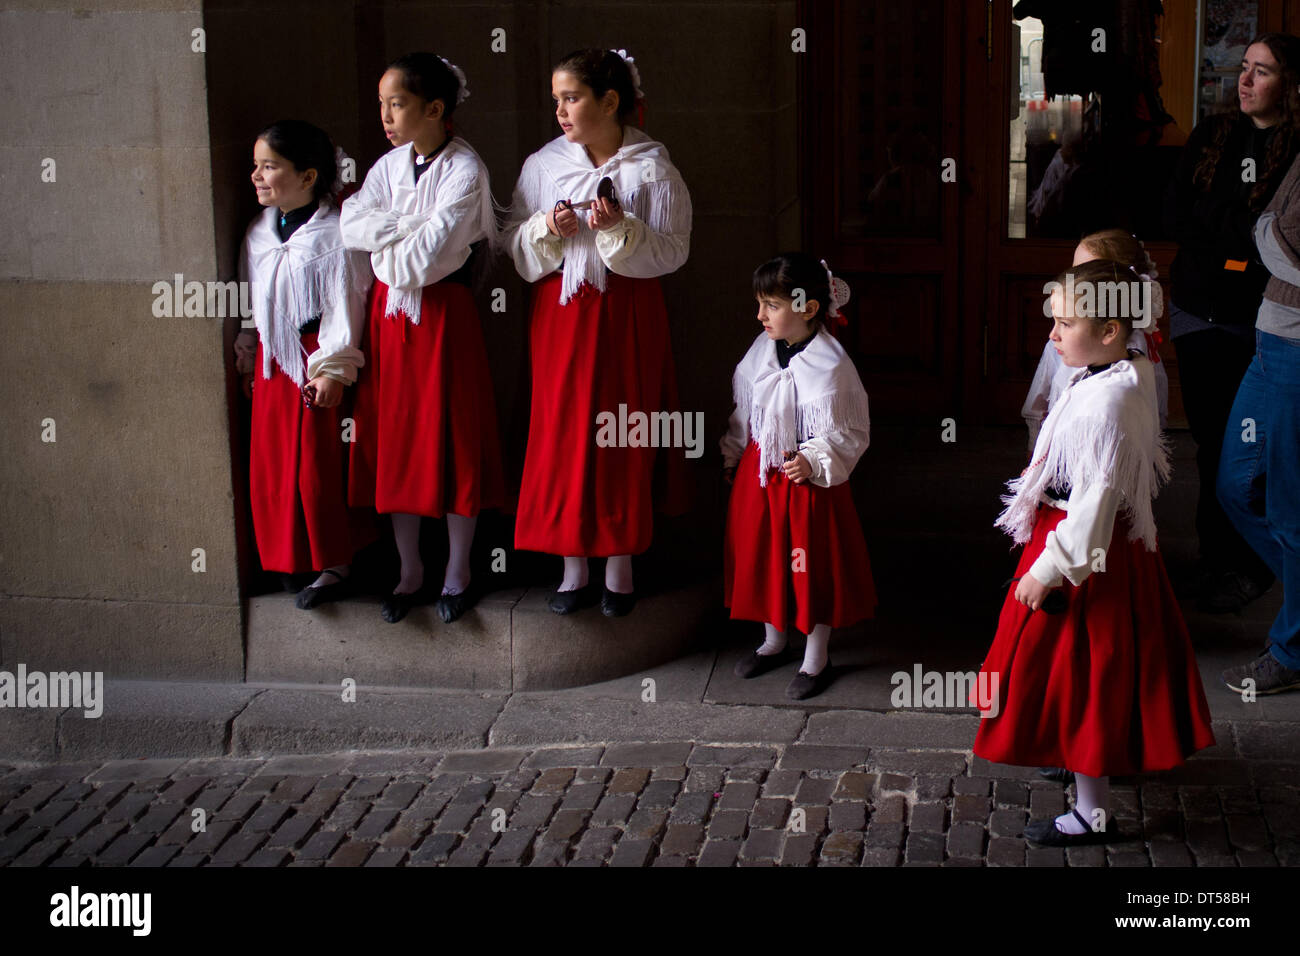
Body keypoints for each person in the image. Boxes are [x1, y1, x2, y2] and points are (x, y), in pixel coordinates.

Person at [974, 259, 1215, 846]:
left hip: (1086, 563)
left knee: (1088, 680)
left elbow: (1093, 505)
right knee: (1078, 676)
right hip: (1095, 551)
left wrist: (1050, 570)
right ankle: (1077, 760)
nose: (1052, 336)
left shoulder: (1107, 403)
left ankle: (1091, 812)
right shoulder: (1117, 373)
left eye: (1063, 324)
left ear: (1109, 330)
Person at [504, 48, 691, 617]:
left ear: (610, 102)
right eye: (556, 99)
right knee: (561, 432)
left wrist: (621, 229)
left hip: (626, 311)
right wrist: (547, 229)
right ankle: (571, 566)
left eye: (572, 98)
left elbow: (674, 250)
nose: (560, 110)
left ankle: (620, 564)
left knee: (620, 430)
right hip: (562, 311)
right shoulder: (543, 165)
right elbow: (511, 242)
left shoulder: (651, 167)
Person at [340, 52, 503, 624]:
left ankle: (459, 569)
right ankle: (409, 569)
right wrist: (407, 228)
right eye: (382, 103)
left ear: (434, 108)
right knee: (396, 438)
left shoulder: (465, 170)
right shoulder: (387, 167)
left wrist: (395, 238)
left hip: (442, 318)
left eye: (398, 104)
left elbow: (423, 263)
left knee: (454, 435)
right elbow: (351, 223)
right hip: (389, 322)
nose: (386, 115)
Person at [1166, 34, 1300, 612]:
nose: (1245, 81)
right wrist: (1237, 228)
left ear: (1289, 87)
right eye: (1243, 67)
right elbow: (1175, 211)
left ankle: (1254, 567)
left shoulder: (1296, 150)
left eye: (1261, 71)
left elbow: (1275, 237)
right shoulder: (1214, 134)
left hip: (1255, 321)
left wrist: (1223, 224)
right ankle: (1214, 561)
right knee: (1209, 443)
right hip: (1198, 312)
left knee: (1250, 448)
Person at [720, 254, 876, 700]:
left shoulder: (832, 366)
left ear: (807, 308)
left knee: (811, 563)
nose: (760, 315)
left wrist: (814, 458)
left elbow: (850, 430)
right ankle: (773, 640)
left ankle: (816, 655)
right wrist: (733, 453)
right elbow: (745, 410)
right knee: (764, 554)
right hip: (762, 472)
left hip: (808, 483)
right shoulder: (760, 353)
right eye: (759, 303)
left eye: (771, 304)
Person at [234, 120, 374, 610]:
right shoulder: (259, 233)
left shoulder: (335, 234)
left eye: (269, 166)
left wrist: (333, 369)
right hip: (274, 366)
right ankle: (287, 557)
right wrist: (250, 353)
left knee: (317, 465)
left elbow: (348, 301)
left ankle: (334, 562)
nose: (256, 176)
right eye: (256, 165)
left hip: (314, 362)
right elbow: (251, 300)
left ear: (308, 175)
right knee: (273, 465)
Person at [1218, 148, 1300, 696]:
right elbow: (1266, 227)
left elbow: (1276, 238)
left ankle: (1291, 651)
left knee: (1288, 509)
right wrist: (1271, 233)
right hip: (1269, 337)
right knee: (1235, 485)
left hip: (1297, 348)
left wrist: (1269, 233)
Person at [1021, 228, 1168, 450]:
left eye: (1089, 272)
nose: (1077, 278)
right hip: (1059, 451)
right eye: (1075, 270)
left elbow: (1152, 409)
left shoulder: (1135, 351)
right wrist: (1036, 449)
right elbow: (1039, 396)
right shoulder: (1060, 342)